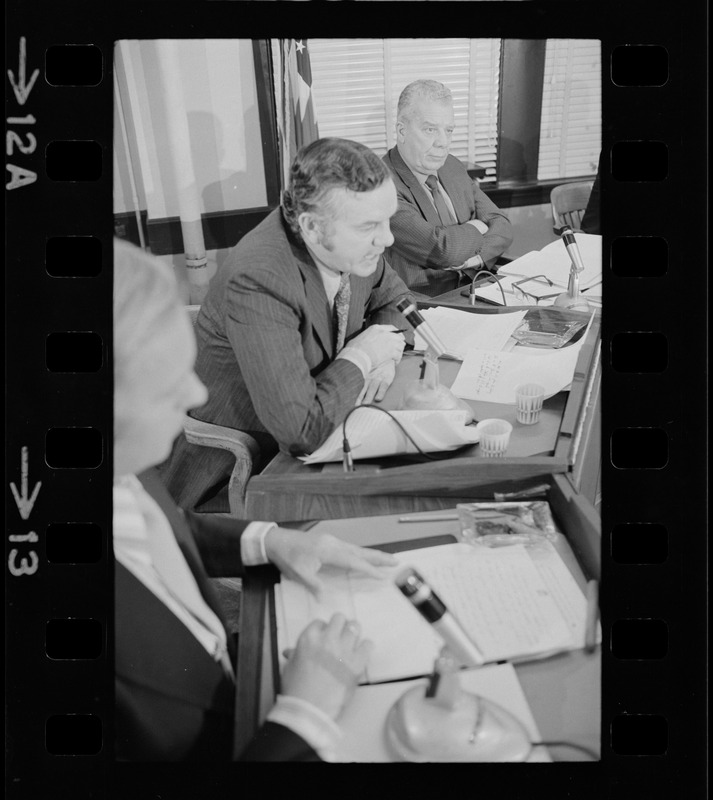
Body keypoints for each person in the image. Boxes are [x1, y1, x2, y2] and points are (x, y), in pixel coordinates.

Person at [113, 238, 398, 761]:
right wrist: (304, 715)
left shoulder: (123, 467)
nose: (197, 397)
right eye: (167, 386)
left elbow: (168, 527)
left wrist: (272, 541)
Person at [160, 137, 414, 512]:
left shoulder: (353, 243)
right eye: (370, 226)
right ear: (311, 227)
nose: (387, 237)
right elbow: (301, 433)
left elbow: (399, 302)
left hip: (333, 422)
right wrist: (363, 356)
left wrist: (385, 355)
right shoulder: (260, 279)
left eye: (388, 219)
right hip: (244, 475)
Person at [383, 79, 514, 297]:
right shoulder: (382, 185)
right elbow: (444, 250)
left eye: (449, 130)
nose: (443, 142)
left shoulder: (451, 166)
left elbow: (502, 225)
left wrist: (477, 258)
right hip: (426, 302)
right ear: (402, 131)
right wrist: (478, 225)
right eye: (430, 129)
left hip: (477, 287)